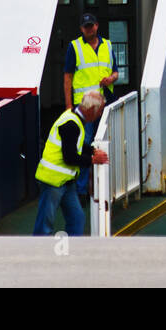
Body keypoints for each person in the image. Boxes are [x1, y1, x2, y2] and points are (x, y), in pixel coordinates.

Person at [33, 90, 109, 236]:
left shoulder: (73, 117)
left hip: (65, 181)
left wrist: (92, 150)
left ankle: (72, 249)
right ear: (91, 110)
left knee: (77, 218)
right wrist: (93, 159)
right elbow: (70, 157)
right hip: (53, 181)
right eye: (99, 111)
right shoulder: (71, 124)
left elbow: (75, 145)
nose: (99, 115)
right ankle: (38, 254)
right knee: (45, 225)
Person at [63, 12, 119, 195]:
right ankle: (81, 190)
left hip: (104, 103)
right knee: (85, 144)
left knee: (103, 143)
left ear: (97, 26)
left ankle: (103, 187)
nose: (89, 29)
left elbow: (116, 72)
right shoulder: (75, 47)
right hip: (84, 107)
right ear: (81, 29)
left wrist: (110, 78)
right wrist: (69, 106)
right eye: (86, 27)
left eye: (91, 25)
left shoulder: (108, 46)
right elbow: (67, 77)